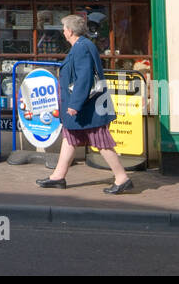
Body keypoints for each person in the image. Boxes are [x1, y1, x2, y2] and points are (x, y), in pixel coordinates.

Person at [36, 13, 134, 194]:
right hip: (87, 105)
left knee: (101, 140)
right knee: (70, 137)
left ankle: (122, 178)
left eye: (64, 29)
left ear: (70, 31)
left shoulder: (81, 48)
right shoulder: (82, 45)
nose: (63, 32)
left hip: (88, 107)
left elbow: (84, 78)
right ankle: (58, 176)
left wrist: (75, 105)